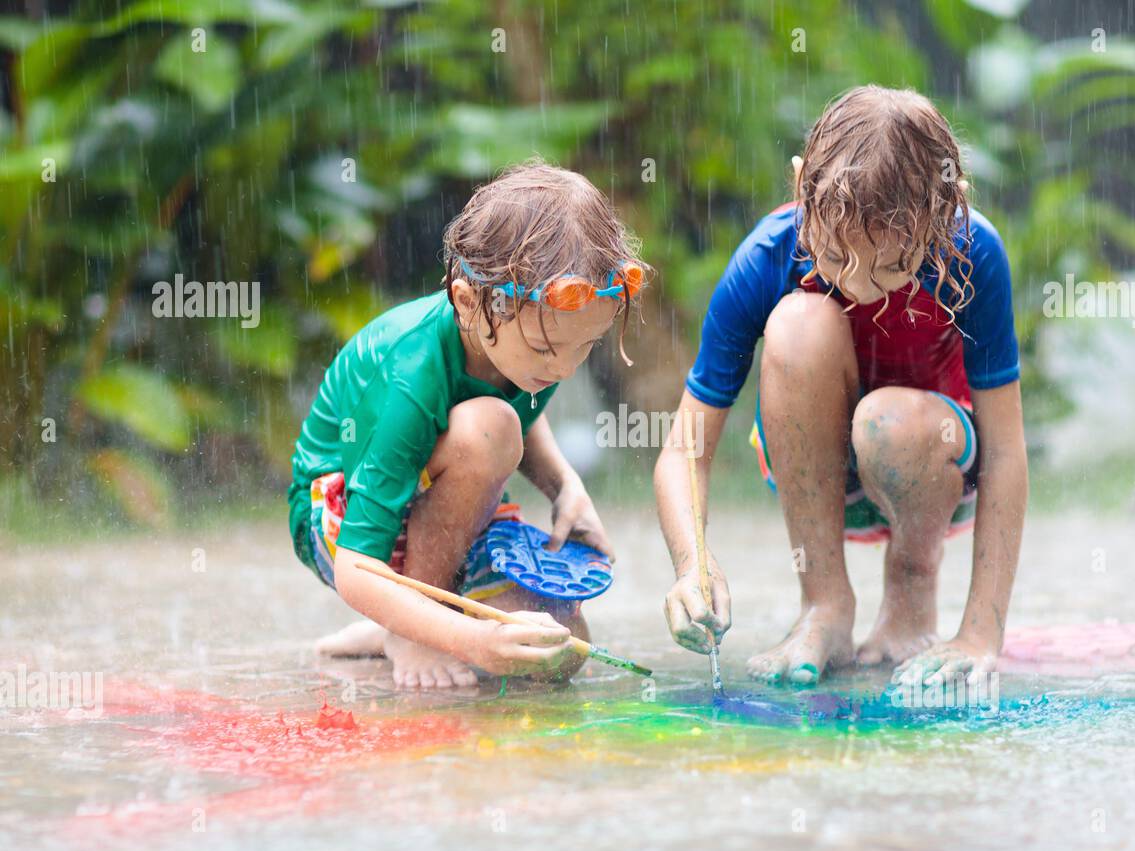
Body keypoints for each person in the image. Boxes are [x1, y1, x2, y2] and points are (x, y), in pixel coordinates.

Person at [655, 86, 1027, 688]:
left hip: (935, 463)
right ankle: (824, 604)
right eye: (832, 256)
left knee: (889, 421)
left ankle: (911, 587)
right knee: (800, 322)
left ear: (948, 211)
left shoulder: (972, 254)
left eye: (889, 268)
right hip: (819, 473)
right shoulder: (768, 255)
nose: (856, 286)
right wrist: (690, 564)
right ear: (802, 187)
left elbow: (1007, 452)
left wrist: (982, 630)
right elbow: (684, 448)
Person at [289, 161, 646, 689]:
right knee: (488, 427)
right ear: (467, 301)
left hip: (445, 508)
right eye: (548, 350)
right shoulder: (410, 373)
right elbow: (357, 568)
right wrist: (469, 640)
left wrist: (564, 487)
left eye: (586, 348)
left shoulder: (531, 340)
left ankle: (401, 618)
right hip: (342, 516)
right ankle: (412, 624)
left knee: (560, 649)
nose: (564, 370)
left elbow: (517, 406)